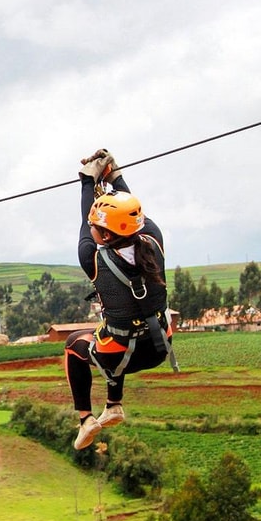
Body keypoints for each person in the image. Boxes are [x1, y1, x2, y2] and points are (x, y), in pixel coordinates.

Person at [67, 149, 175, 450]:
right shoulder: (154, 241)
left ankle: (86, 419)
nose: (91, 228)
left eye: (96, 227)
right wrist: (114, 175)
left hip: (119, 356)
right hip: (159, 347)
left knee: (76, 345)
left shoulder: (93, 260)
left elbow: (85, 222)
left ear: (104, 235)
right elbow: (134, 216)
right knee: (117, 330)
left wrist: (87, 183)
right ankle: (113, 405)